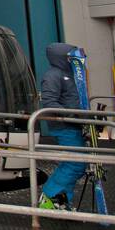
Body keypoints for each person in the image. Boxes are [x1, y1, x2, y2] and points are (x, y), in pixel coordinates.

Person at [38, 42, 86, 210]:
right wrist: (72, 114)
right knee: (76, 163)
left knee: (76, 163)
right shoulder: (54, 75)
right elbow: (49, 101)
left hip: (74, 124)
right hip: (64, 126)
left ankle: (61, 199)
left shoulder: (73, 74)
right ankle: (50, 196)